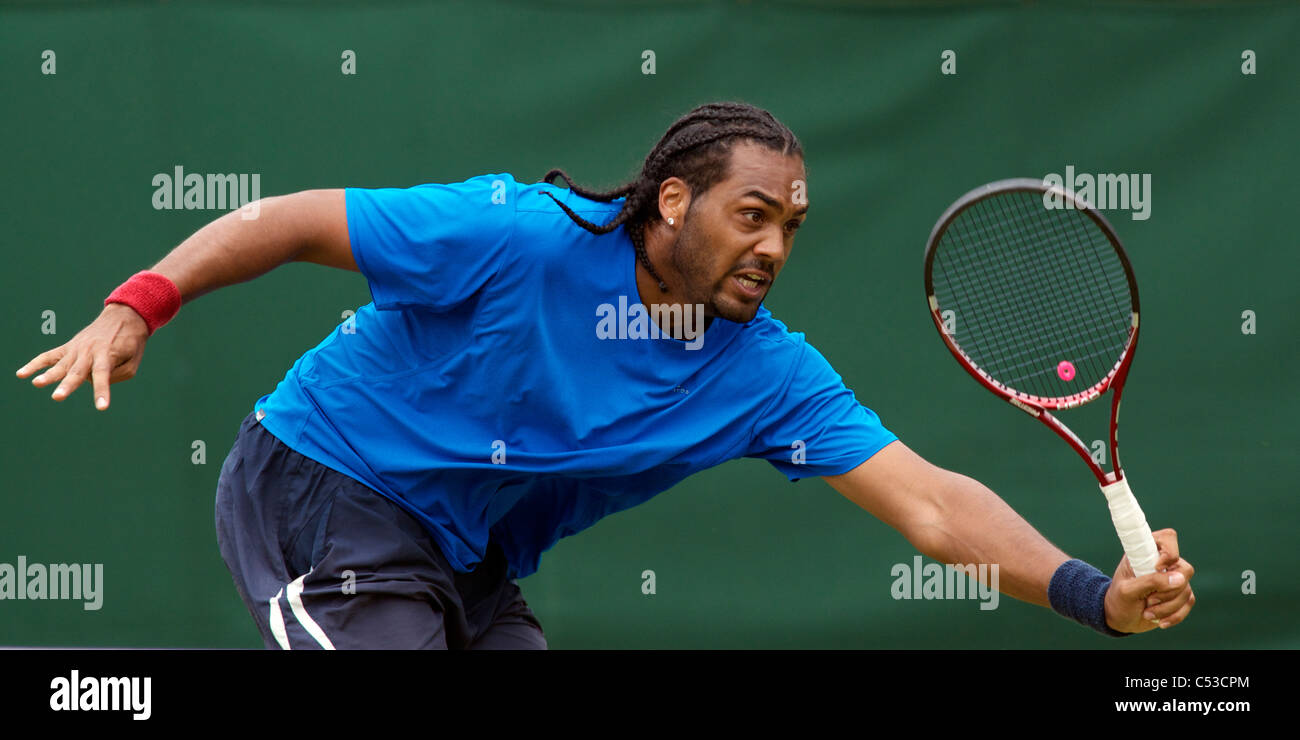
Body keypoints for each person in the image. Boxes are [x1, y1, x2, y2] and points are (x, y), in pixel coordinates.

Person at [15, 101, 1195, 649]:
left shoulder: (765, 374)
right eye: (749, 214)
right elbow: (291, 220)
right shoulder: (515, 236)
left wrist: (1093, 594)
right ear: (672, 199)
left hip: (471, 557)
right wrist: (141, 301)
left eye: (790, 227)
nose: (773, 246)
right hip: (328, 487)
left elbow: (930, 502)